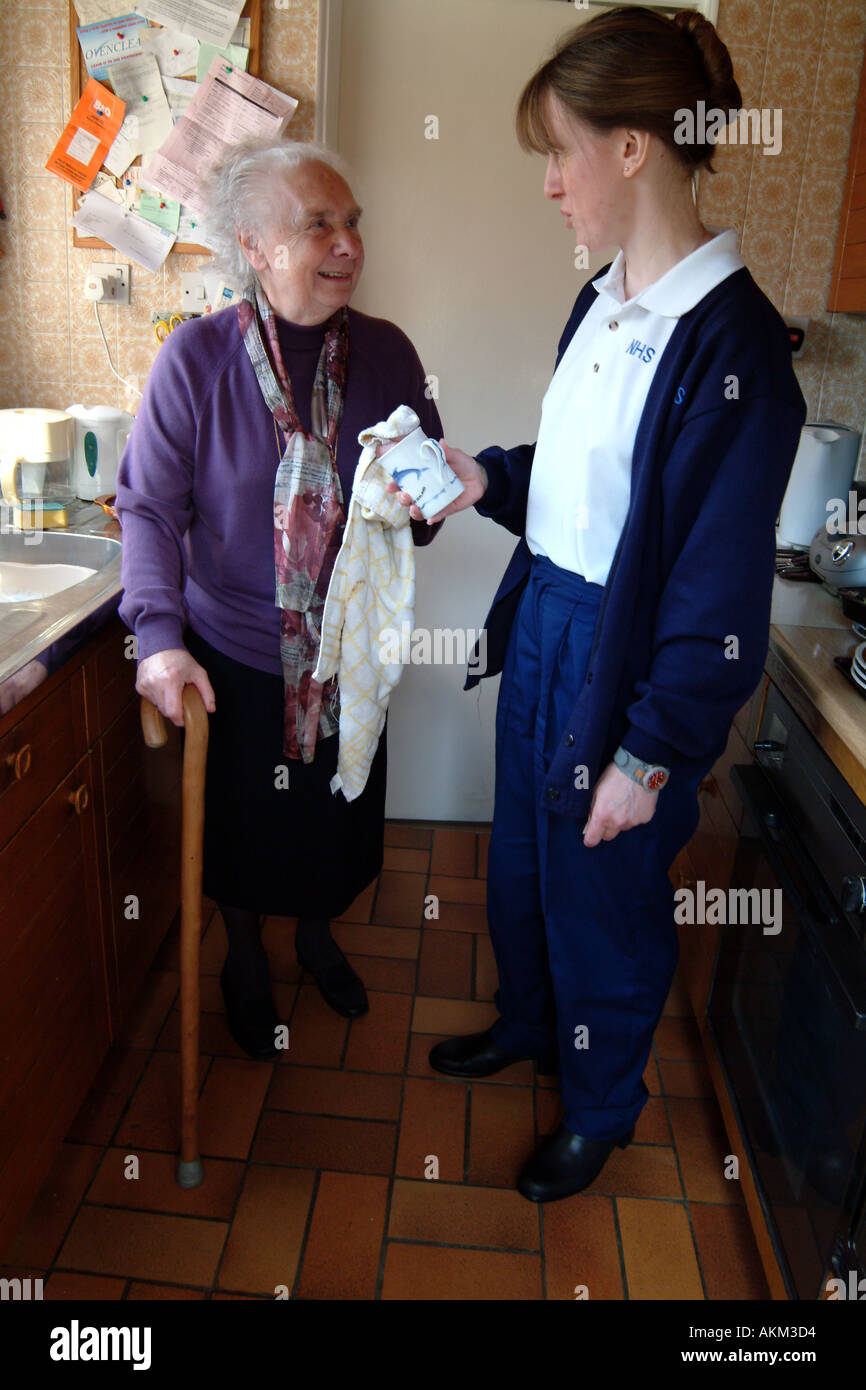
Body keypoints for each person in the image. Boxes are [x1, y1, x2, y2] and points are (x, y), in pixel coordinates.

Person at [389, 6, 806, 1202]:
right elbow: (584, 484)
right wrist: (486, 479)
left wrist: (651, 749)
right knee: (523, 862)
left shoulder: (732, 353)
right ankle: (531, 1021)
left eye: (557, 151)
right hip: (550, 630)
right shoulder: (602, 303)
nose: (548, 186)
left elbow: (713, 588)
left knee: (604, 897)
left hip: (628, 668)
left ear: (631, 148)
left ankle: (600, 1106)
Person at [116, 137, 442, 1058]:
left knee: (331, 828)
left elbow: (423, 500)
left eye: (352, 223)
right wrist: (157, 637)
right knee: (246, 833)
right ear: (255, 246)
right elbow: (146, 505)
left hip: (349, 658)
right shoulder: (196, 358)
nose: (347, 245)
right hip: (235, 658)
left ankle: (314, 934)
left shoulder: (386, 355)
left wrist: (427, 503)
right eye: (319, 225)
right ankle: (247, 954)